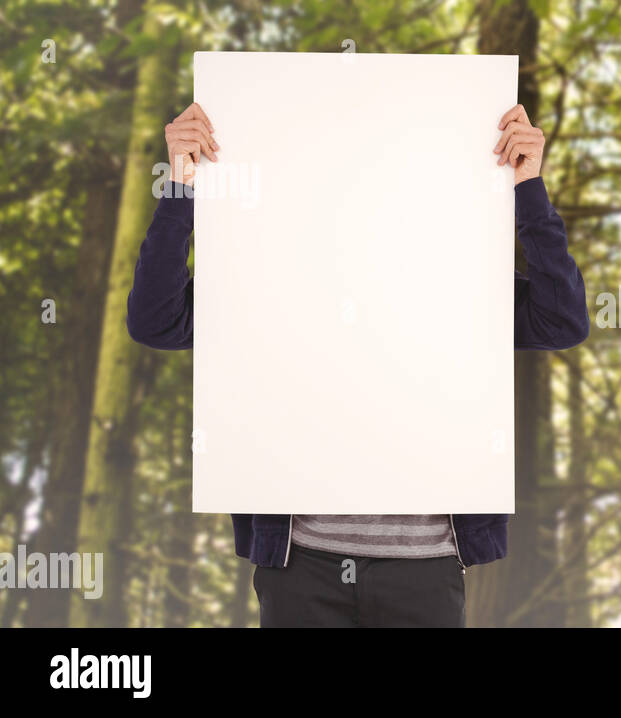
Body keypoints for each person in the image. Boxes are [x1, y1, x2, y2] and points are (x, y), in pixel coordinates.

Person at [128, 101, 589, 627]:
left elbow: (563, 321)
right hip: (301, 562)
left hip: (426, 565)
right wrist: (182, 186)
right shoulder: (272, 281)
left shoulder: (457, 285)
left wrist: (528, 187)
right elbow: (154, 321)